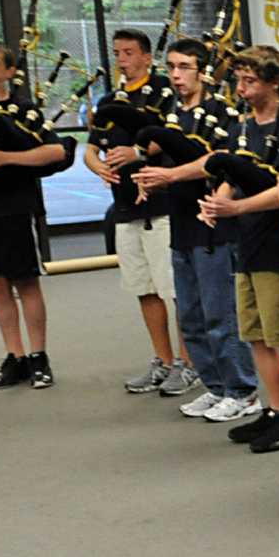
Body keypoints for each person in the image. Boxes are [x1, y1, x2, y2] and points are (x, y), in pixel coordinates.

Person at [135, 36, 257, 422]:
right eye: (170, 66)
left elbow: (218, 159)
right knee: (191, 314)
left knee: (221, 313)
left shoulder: (221, 110)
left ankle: (242, 390)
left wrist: (169, 174)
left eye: (184, 66)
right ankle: (216, 386)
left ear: (202, 71)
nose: (175, 74)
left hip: (214, 223)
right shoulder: (170, 111)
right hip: (181, 223)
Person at [201, 45, 279, 453]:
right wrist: (219, 204)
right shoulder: (240, 127)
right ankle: (276, 408)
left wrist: (237, 206)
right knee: (256, 335)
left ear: (274, 84)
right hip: (245, 243)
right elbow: (233, 170)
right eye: (238, 80)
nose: (241, 88)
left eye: (250, 81)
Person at [82, 28, 188, 395]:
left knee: (174, 289)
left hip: (161, 203)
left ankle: (187, 362)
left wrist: (139, 153)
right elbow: (91, 149)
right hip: (125, 204)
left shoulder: (162, 92)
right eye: (117, 53)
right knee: (144, 289)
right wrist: (98, 166)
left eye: (129, 52)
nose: (122, 59)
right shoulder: (110, 99)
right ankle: (161, 359)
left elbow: (174, 137)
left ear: (146, 57)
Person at [0, 40, 67, 389]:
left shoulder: (25, 110)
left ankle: (39, 356)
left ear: (8, 71)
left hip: (16, 206)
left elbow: (54, 151)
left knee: (25, 282)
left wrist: (7, 158)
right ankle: (15, 356)